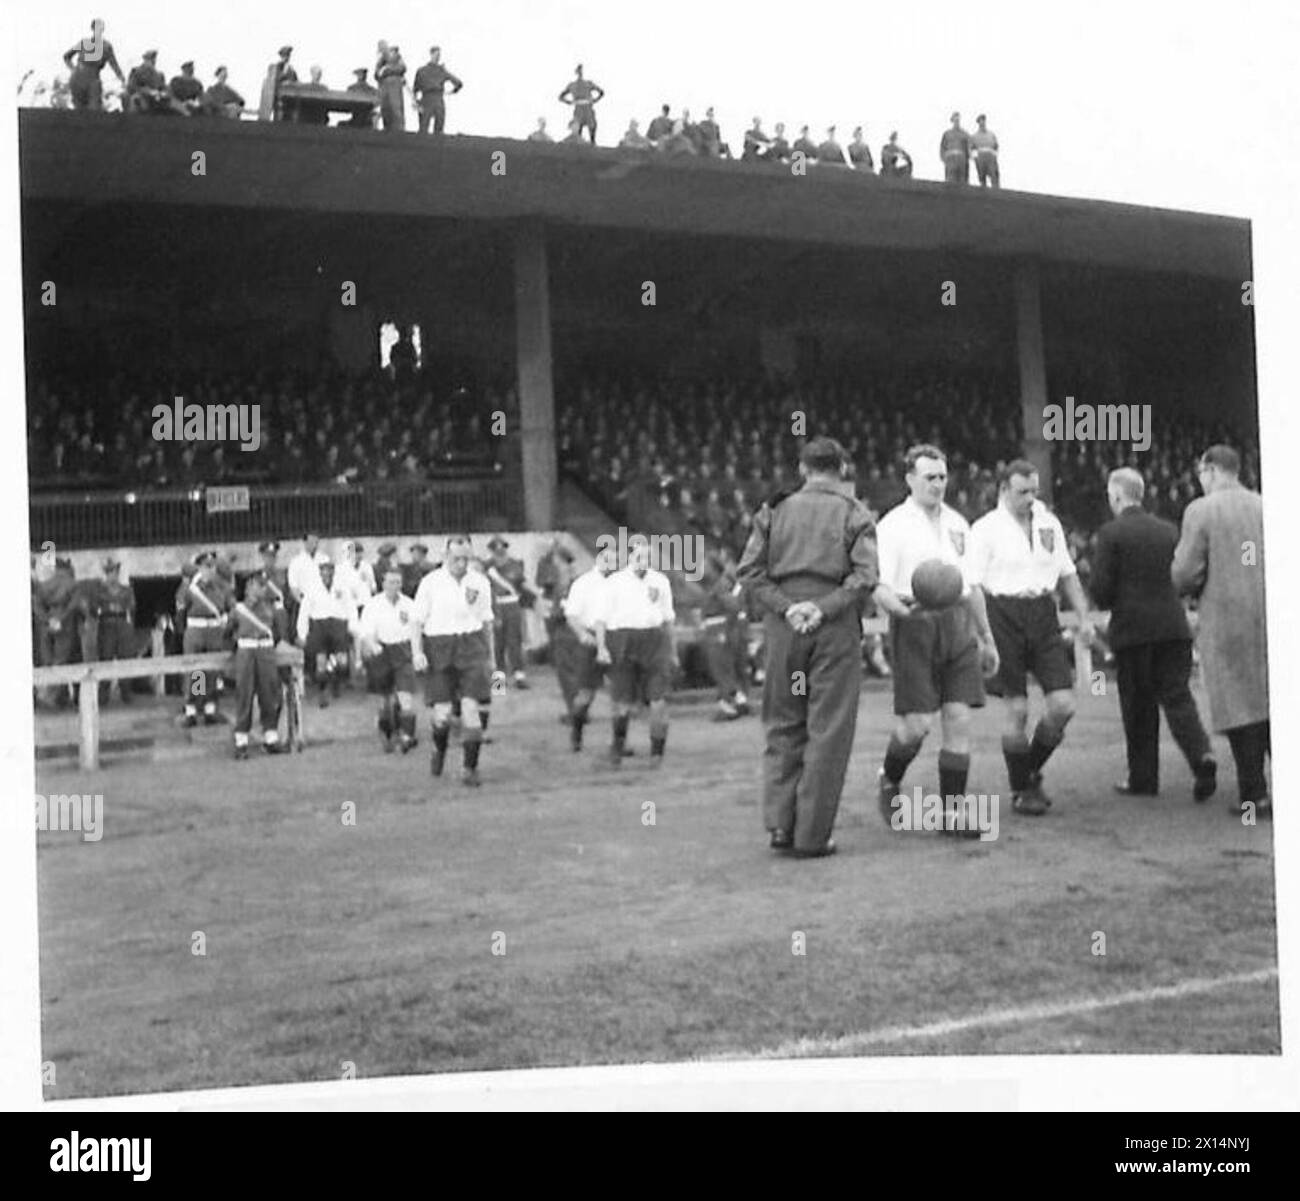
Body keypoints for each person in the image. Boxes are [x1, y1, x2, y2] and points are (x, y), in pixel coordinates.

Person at [737, 437, 878, 857]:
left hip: (785, 629)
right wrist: (823, 607)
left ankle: (781, 826)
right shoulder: (855, 513)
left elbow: (750, 572)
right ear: (843, 469)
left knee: (784, 721)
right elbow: (866, 576)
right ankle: (813, 836)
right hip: (831, 628)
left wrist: (789, 608)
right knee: (828, 729)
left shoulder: (774, 510)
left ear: (802, 469)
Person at [872, 443, 997, 837]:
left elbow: (972, 584)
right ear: (910, 479)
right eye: (930, 477)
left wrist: (987, 636)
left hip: (957, 622)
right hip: (913, 621)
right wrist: (900, 610)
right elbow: (878, 586)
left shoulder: (960, 524)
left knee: (958, 718)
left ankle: (953, 815)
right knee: (917, 725)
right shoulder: (891, 525)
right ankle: (889, 777)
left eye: (942, 476)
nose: (938, 484)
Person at [969, 459, 1095, 815]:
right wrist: (983, 633)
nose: (1030, 498)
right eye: (1023, 492)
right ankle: (1022, 789)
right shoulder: (985, 529)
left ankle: (1029, 771)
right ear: (1004, 489)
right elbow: (973, 585)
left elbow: (1068, 574)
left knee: (1063, 705)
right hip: (1002, 613)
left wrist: (1084, 617)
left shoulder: (1048, 523)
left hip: (1042, 612)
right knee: (1018, 710)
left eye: (1034, 491)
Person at [1090, 468, 1216, 800]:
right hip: (1173, 626)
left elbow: (1101, 590)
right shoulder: (1167, 530)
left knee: (1138, 705)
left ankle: (1143, 779)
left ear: (1116, 496)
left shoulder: (1110, 533)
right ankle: (1201, 753)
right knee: (1178, 697)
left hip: (1133, 630)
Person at [1171, 445, 1270, 817]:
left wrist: (1184, 587)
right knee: (1276, 699)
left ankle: (1254, 794)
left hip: (1227, 617)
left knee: (1239, 704)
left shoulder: (1201, 510)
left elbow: (1185, 573)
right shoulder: (1266, 504)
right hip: (1272, 612)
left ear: (1210, 470)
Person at [410, 536, 498, 787]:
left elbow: (487, 621)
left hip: (471, 647)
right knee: (443, 714)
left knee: (472, 708)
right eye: (456, 558)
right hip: (440, 647)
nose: (461, 563)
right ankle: (439, 750)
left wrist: (491, 657)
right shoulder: (430, 583)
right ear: (445, 555)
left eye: (465, 558)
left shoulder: (479, 582)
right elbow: (416, 621)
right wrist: (418, 652)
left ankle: (470, 769)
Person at [594, 540, 676, 767]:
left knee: (658, 700)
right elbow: (600, 619)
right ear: (629, 557)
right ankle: (618, 748)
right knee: (623, 703)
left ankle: (657, 753)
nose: (644, 561)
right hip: (623, 641)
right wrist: (601, 647)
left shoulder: (660, 581)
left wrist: (673, 651)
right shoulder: (614, 583)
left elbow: (668, 619)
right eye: (639, 556)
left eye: (647, 556)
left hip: (654, 641)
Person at [559, 546, 617, 750]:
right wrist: (582, 634)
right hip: (590, 638)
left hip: (615, 636)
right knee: (586, 692)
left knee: (619, 691)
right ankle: (577, 733)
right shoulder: (584, 583)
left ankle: (618, 741)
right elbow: (571, 614)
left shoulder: (620, 582)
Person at [358, 568, 419, 753]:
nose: (395, 586)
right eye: (391, 582)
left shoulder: (409, 604)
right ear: (383, 584)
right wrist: (373, 647)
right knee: (384, 702)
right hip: (382, 652)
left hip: (403, 652)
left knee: (406, 697)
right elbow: (366, 633)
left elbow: (416, 631)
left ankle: (407, 737)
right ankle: (387, 733)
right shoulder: (373, 605)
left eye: (398, 582)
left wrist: (417, 653)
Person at [228, 572, 288, 759]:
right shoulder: (236, 608)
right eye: (254, 585)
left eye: (261, 586)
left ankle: (270, 736)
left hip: (264, 651)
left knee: (269, 693)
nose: (257, 590)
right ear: (246, 588)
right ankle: (199, 709)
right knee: (243, 693)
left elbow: (278, 633)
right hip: (242, 651)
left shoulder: (271, 609)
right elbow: (228, 633)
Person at [183, 550, 235, 726]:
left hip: (214, 631)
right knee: (197, 671)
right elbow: (182, 610)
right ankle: (193, 709)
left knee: (212, 671)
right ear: (199, 568)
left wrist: (227, 619)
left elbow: (230, 606)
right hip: (196, 630)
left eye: (212, 567)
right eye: (206, 567)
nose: (210, 570)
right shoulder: (191, 588)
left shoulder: (222, 587)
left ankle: (210, 709)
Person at [699, 548, 752, 721]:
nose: (701, 567)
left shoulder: (720, 586)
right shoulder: (717, 585)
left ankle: (729, 705)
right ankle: (739, 701)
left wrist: (726, 629)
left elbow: (733, 606)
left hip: (718, 630)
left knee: (721, 668)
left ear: (713, 567)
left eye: (704, 564)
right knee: (725, 668)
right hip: (718, 628)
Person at [296, 558, 357, 707]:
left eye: (329, 570)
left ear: (333, 572)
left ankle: (335, 679)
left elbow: (351, 608)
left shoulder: (342, 587)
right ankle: (322, 690)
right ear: (320, 572)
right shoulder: (312, 588)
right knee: (321, 662)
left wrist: (353, 627)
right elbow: (304, 612)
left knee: (341, 661)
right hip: (319, 626)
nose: (327, 574)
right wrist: (302, 633)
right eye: (324, 570)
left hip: (338, 625)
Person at [485, 536, 535, 688]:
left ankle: (519, 676)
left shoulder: (514, 564)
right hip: (495, 606)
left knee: (515, 641)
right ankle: (499, 681)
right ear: (492, 552)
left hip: (512, 605)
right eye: (496, 550)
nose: (500, 553)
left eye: (502, 549)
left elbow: (522, 584)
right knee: (497, 644)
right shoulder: (487, 567)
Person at [95, 556, 136, 705]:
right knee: (105, 658)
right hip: (106, 623)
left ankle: (126, 692)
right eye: (109, 571)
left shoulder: (126, 589)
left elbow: (131, 606)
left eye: (114, 571)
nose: (112, 574)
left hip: (121, 623)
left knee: (125, 658)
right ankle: (103, 696)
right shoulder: (100, 589)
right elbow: (94, 606)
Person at [63, 19, 125, 111]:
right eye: (96, 28)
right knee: (79, 109)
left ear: (103, 29)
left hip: (92, 78)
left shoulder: (106, 46)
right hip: (78, 77)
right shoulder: (84, 43)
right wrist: (72, 69)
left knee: (94, 109)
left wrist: (121, 78)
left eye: (100, 28)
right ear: (92, 28)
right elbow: (66, 56)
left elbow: (114, 64)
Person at [414, 46, 463, 136]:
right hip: (426, 98)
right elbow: (415, 89)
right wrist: (416, 103)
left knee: (438, 128)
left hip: (437, 98)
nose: (438, 57)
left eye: (439, 55)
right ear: (431, 54)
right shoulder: (422, 70)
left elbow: (458, 83)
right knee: (424, 128)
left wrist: (452, 91)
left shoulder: (441, 70)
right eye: (436, 55)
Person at [558, 63, 604, 144]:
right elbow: (560, 97)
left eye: (581, 71)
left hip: (588, 108)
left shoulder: (588, 83)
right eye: (578, 71)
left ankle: (592, 144)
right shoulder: (572, 85)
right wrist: (569, 102)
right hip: (578, 108)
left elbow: (601, 92)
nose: (580, 73)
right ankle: (579, 144)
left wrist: (594, 100)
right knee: (578, 128)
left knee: (592, 127)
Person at [125, 49, 170, 115]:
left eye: (154, 59)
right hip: (141, 99)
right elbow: (131, 87)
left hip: (155, 101)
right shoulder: (136, 71)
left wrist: (162, 93)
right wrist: (147, 91)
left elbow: (164, 89)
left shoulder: (159, 75)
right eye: (150, 59)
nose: (153, 61)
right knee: (136, 99)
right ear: (145, 60)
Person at [375, 41, 406, 132]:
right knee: (385, 108)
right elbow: (377, 74)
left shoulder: (396, 57)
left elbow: (403, 68)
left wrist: (389, 69)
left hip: (394, 84)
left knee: (395, 107)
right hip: (384, 85)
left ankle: (399, 129)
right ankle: (387, 127)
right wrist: (382, 72)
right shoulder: (381, 60)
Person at [940, 111, 972, 183]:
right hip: (950, 159)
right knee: (950, 180)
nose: (957, 121)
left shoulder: (965, 134)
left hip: (961, 159)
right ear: (952, 121)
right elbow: (942, 147)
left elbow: (969, 148)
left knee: (962, 180)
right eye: (955, 119)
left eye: (958, 119)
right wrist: (944, 158)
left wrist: (967, 159)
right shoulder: (947, 133)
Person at [972, 114, 1000, 188]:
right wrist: (976, 159)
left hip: (990, 158)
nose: (982, 123)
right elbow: (972, 149)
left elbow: (996, 147)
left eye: (983, 121)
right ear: (978, 123)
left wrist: (994, 156)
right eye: (980, 121)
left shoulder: (991, 134)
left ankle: (996, 193)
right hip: (981, 158)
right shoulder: (975, 136)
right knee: (982, 177)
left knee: (994, 176)